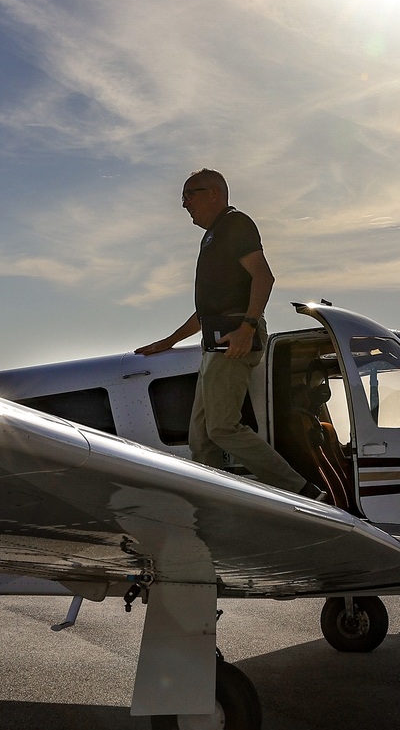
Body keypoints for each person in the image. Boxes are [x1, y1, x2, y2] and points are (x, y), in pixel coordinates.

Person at [136, 169, 324, 500]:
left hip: (232, 336)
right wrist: (170, 341)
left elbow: (263, 277)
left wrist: (246, 329)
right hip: (217, 338)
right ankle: (216, 503)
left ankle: (304, 492)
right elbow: (208, 311)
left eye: (189, 195)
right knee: (201, 438)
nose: (184, 204)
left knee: (222, 427)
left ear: (214, 193)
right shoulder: (213, 236)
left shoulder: (235, 225)